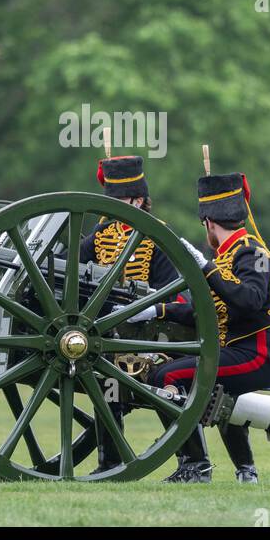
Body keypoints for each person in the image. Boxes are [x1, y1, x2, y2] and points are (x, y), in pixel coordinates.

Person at [137, 171, 270, 483]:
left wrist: (207, 270)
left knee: (167, 375)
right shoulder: (225, 256)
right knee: (218, 393)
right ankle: (246, 472)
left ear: (208, 222)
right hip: (235, 352)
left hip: (257, 354)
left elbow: (249, 299)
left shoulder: (253, 252)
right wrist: (156, 308)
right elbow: (203, 311)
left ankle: (196, 465)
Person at [77, 154, 179, 473]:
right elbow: (69, 270)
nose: (113, 206)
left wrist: (144, 310)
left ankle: (194, 463)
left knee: (111, 376)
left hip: (153, 339)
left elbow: (173, 294)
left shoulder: (158, 237)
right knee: (106, 378)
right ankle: (110, 462)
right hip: (109, 338)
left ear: (136, 200)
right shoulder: (100, 237)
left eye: (118, 199)